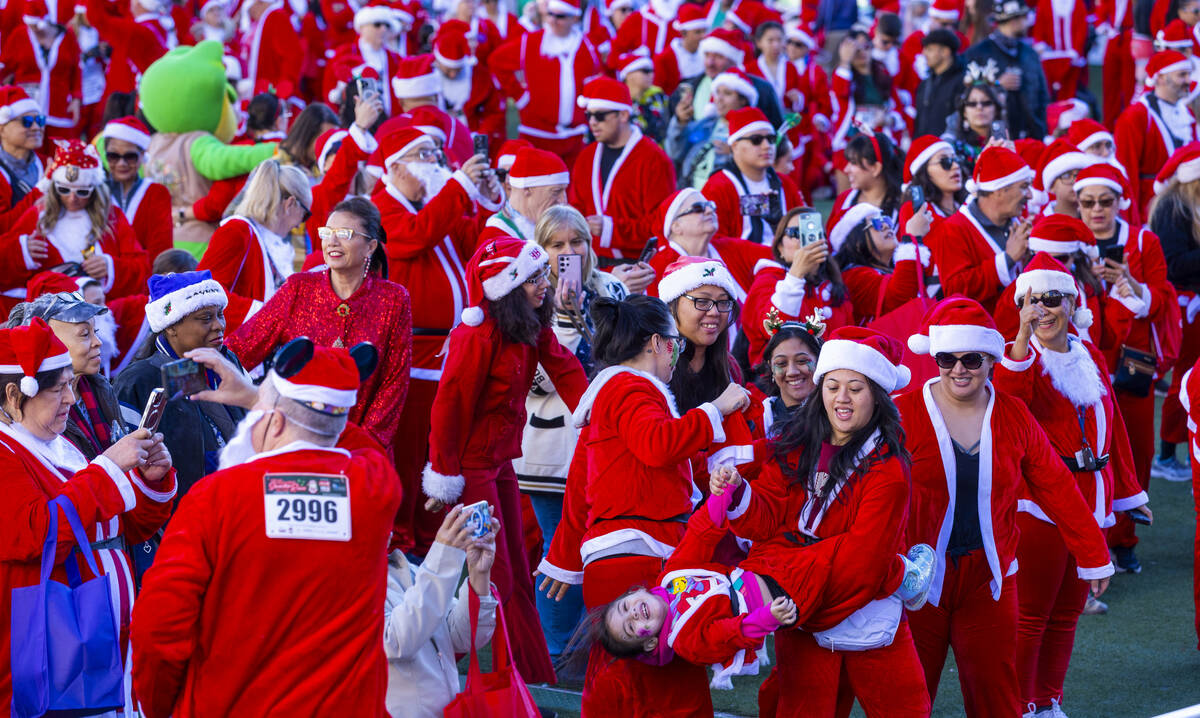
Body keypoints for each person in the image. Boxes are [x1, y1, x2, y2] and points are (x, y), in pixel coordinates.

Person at [130, 344, 403, 717]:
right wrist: (266, 397)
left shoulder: (216, 497)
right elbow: (345, 435)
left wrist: (160, 706)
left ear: (273, 422)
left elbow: (160, 625)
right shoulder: (376, 487)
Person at [897, 297, 1115, 717]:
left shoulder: (1014, 415)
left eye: (971, 359)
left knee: (997, 698)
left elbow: (1057, 487)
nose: (958, 369)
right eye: (947, 358)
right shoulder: (902, 413)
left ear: (992, 360)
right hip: (918, 579)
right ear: (934, 357)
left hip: (991, 579)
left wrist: (1093, 554)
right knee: (907, 698)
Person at [538, 294, 750, 717]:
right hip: (640, 553)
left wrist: (565, 559)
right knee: (671, 687)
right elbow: (657, 446)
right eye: (675, 343)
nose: (678, 353)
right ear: (657, 342)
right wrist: (716, 409)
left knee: (616, 682)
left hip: (616, 556)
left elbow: (581, 486)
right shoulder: (631, 388)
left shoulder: (611, 392)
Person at [720, 326, 930, 717]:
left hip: (859, 616)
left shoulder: (889, 470)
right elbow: (767, 521)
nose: (842, 398)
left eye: (856, 387)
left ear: (877, 396)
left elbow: (861, 567)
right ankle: (903, 575)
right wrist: (737, 493)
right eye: (833, 386)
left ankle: (901, 575)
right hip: (802, 613)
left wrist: (796, 583)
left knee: (905, 708)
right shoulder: (798, 444)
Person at [422, 238, 588, 684]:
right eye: (533, 277)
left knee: (516, 566)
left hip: (500, 467)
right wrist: (443, 472)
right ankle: (494, 679)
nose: (543, 284)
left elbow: (566, 369)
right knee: (495, 573)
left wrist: (599, 417)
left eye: (542, 275)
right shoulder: (477, 334)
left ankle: (531, 676)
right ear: (509, 285)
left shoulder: (530, 325)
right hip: (473, 472)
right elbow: (449, 405)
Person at [996, 253, 1150, 715]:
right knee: (1032, 617)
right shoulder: (1019, 357)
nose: (1041, 309)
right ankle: (1021, 704)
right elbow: (1009, 403)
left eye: (1051, 299)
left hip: (1094, 498)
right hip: (1039, 503)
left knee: (1066, 615)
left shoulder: (1090, 353)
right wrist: (1021, 338)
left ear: (1071, 302)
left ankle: (1048, 701)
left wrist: (1128, 494)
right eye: (1031, 301)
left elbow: (1113, 425)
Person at [0, 317, 174, 716]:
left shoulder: (60, 446)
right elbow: (36, 534)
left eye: (72, 385)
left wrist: (150, 479)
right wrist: (109, 468)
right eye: (58, 388)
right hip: (57, 639)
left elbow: (123, 528)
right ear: (14, 395)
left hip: (101, 635)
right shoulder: (5, 453)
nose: (72, 400)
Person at [372, 126, 498, 553]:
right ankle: (406, 540)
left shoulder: (432, 205)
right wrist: (458, 187)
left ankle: (434, 540)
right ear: (396, 166)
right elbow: (414, 236)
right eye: (424, 154)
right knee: (411, 456)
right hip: (413, 353)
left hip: (445, 351)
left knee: (439, 453)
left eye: (435, 152)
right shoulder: (384, 206)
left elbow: (475, 243)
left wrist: (485, 198)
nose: (435, 162)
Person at [512, 205, 625, 658]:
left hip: (609, 441)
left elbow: (626, 358)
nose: (568, 252)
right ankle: (556, 653)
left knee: (599, 550)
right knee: (560, 550)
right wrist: (562, 319)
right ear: (540, 248)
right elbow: (534, 379)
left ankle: (590, 648)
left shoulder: (611, 288)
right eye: (556, 245)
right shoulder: (526, 295)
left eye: (576, 242)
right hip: (552, 449)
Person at [227, 197, 412, 453]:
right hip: (291, 442)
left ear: (370, 246)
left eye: (344, 234)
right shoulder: (299, 288)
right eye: (327, 233)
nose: (332, 241)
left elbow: (394, 382)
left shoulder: (393, 299)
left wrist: (364, 446)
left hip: (359, 448)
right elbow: (243, 347)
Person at [1074, 163, 1175, 575]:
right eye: (1088, 202)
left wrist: (1134, 286)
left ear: (1121, 201)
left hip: (1132, 362)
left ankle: (1126, 538)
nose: (1097, 210)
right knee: (1091, 450)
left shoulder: (1142, 240)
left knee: (1137, 448)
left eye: (1106, 201)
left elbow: (1162, 299)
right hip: (1083, 361)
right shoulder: (1071, 242)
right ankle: (1094, 539)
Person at [114, 270, 246, 503]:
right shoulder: (139, 380)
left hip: (238, 496)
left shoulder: (227, 361)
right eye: (206, 318)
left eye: (220, 315)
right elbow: (127, 465)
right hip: (180, 511)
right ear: (171, 325)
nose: (219, 326)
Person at [384, 504, 500, 718]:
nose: (388, 526)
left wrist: (478, 574)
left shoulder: (404, 568)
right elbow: (398, 641)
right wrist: (445, 554)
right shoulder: (342, 585)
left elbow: (465, 637)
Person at [2, 139, 149, 303]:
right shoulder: (38, 216)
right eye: (64, 190)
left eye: (82, 192)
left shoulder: (112, 218)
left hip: (102, 311)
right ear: (53, 188)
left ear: (94, 191)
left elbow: (142, 268)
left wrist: (111, 267)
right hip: (51, 315)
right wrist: (21, 251)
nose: (72, 199)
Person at [196, 160, 312, 332]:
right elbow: (204, 293)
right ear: (290, 204)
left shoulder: (268, 240)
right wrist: (267, 315)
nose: (299, 225)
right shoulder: (237, 231)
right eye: (305, 215)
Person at [569, 77, 676, 259]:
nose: (593, 122)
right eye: (589, 115)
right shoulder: (586, 157)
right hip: (590, 266)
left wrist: (610, 229)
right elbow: (574, 209)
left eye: (600, 115)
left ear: (624, 115)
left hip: (637, 267)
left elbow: (661, 224)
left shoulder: (654, 159)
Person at [490, 0, 604, 168]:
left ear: (574, 18)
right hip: (537, 134)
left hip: (574, 137)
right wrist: (521, 98)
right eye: (550, 14)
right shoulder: (532, 42)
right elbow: (496, 61)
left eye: (560, 16)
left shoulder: (587, 46)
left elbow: (595, 82)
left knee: (572, 190)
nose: (553, 20)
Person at [8, 289, 118, 461]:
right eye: (84, 334)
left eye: (95, 332)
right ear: (47, 343)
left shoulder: (101, 387)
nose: (98, 342)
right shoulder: (34, 409)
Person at [925, 144, 1034, 313]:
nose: (1030, 195)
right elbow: (955, 291)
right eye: (1024, 187)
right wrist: (1007, 260)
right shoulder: (953, 229)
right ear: (999, 190)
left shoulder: (1017, 222)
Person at [1148, 144, 1200, 483]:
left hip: (1193, 301)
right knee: (1184, 378)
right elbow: (1172, 266)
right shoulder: (1172, 207)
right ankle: (1167, 453)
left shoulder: (1187, 204)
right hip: (1183, 305)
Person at [743, 207, 854, 363]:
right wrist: (796, 276)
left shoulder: (835, 286)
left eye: (813, 232)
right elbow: (774, 331)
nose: (804, 239)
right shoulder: (767, 280)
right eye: (795, 233)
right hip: (780, 380)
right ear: (780, 248)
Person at [1115, 50, 1198, 224]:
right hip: (1151, 208)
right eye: (1181, 75)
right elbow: (1127, 171)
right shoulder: (1136, 116)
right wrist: (1134, 221)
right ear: (1160, 78)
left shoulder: (1186, 113)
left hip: (1188, 204)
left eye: (1188, 74)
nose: (1188, 81)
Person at [702, 107, 805, 246]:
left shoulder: (785, 183)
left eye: (771, 138)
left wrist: (781, 226)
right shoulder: (719, 186)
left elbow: (808, 234)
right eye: (756, 140)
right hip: (742, 266)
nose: (767, 146)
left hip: (788, 264)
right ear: (734, 145)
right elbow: (716, 245)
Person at [648, 187, 771, 298]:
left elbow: (778, 255)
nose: (709, 211)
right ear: (675, 227)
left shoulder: (729, 247)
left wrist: (776, 225)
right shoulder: (658, 267)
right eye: (698, 208)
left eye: (711, 206)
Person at [961, 0, 1051, 139]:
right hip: (992, 138)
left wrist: (1042, 129)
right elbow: (963, 92)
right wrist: (996, 84)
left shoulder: (1030, 54)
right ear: (1013, 20)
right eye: (1024, 18)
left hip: (1031, 136)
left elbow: (1043, 96)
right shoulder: (977, 53)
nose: (1028, 23)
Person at [835, 205, 933, 324]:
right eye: (877, 223)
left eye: (886, 220)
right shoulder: (853, 277)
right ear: (856, 242)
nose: (886, 226)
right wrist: (912, 237)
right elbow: (900, 298)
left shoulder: (892, 270)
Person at [103, 116, 174, 264]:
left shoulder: (157, 193)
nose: (121, 163)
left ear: (142, 155)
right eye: (113, 156)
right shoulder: (94, 191)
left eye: (130, 156)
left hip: (144, 281)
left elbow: (161, 250)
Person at [746, 319, 823, 439]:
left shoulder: (836, 415)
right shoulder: (756, 421)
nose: (792, 372)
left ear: (819, 361)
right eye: (781, 363)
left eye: (802, 361)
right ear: (770, 366)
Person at [482, 146, 568, 243]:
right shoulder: (498, 238)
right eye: (556, 191)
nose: (563, 201)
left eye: (565, 191)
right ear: (527, 189)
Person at [826, 132, 903, 234]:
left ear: (876, 168)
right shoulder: (844, 199)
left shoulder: (902, 207)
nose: (846, 169)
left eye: (853, 163)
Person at [941, 70, 1006, 177]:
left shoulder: (1008, 143)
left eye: (986, 102)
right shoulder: (952, 149)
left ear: (996, 109)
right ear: (964, 112)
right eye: (972, 103)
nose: (979, 107)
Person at [899, 135, 966, 234]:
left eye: (956, 160)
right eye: (945, 161)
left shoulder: (967, 203)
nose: (955, 166)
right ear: (924, 171)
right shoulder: (914, 211)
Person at [0, 87, 45, 228]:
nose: (36, 127)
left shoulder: (48, 163)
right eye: (27, 121)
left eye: (40, 120)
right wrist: (42, 188)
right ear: (2, 130)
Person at [914, 28, 966, 138]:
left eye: (929, 49)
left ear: (946, 52)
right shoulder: (924, 84)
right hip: (926, 150)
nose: (924, 53)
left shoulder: (963, 83)